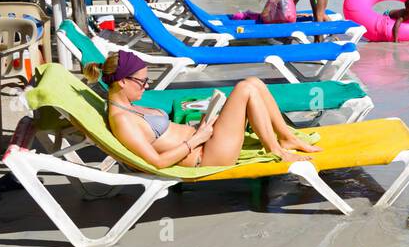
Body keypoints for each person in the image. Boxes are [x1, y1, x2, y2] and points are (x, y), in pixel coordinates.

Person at [89, 50, 321, 168]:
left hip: (204, 139)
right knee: (245, 89)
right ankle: (277, 151)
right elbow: (156, 162)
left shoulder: (129, 106)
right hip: (205, 154)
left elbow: (167, 133)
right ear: (122, 81)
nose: (146, 85)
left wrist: (201, 126)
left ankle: (286, 137)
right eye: (142, 82)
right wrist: (196, 139)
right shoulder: (123, 120)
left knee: (254, 83)